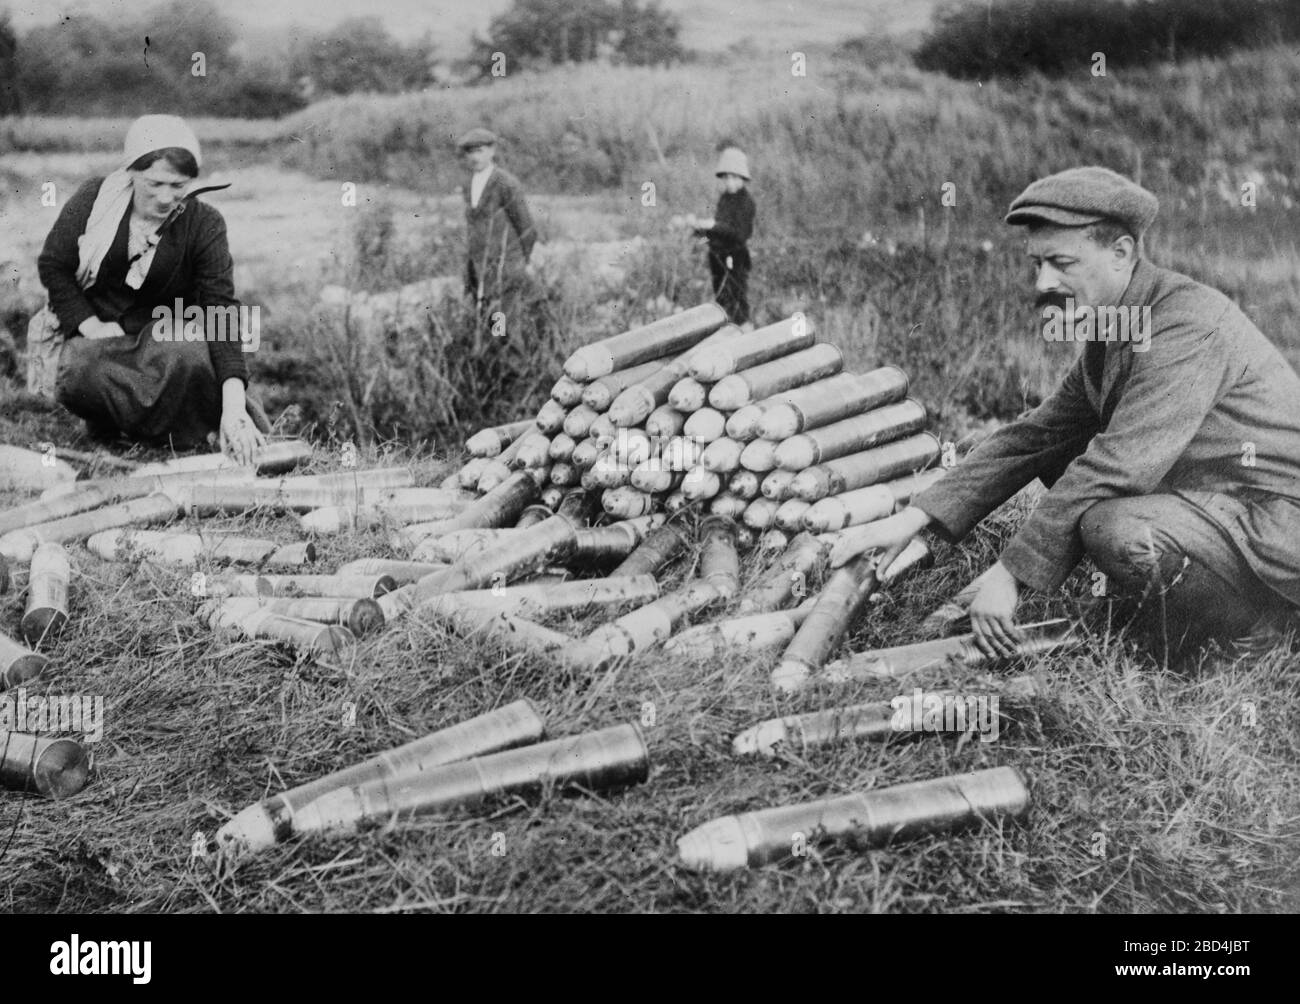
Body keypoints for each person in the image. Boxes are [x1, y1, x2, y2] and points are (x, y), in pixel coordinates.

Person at [831, 166, 1300, 660]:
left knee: (1114, 527)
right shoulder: (1117, 324)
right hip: (1225, 505)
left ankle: (1252, 631)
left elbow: (1118, 465)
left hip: (1277, 519)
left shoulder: (1187, 326)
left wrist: (1010, 575)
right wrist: (913, 518)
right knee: (1061, 456)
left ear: (1121, 253)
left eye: (1062, 262)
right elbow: (1037, 434)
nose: (1044, 282)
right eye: (1037, 264)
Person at [32, 114, 268, 463]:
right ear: (130, 171)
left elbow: (220, 310)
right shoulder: (95, 200)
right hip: (104, 341)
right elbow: (54, 265)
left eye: (178, 186)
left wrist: (234, 405)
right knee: (78, 370)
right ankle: (110, 429)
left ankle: (186, 438)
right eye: (154, 184)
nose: (165, 198)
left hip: (167, 340)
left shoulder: (205, 224)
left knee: (189, 355)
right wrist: (89, 324)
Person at [457, 127, 537, 310]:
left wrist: (519, 262)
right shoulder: (469, 184)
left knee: (505, 325)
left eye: (479, 151)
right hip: (480, 269)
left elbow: (526, 228)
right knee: (489, 324)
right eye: (470, 152)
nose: (474, 157)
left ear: (492, 151)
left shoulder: (505, 183)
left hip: (505, 269)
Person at [686, 146, 756, 328]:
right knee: (721, 298)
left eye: (734, 178)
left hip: (735, 257)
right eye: (727, 178)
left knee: (737, 297)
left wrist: (713, 226)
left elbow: (739, 234)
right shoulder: (725, 199)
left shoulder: (746, 202)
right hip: (718, 257)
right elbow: (718, 230)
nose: (730, 183)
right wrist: (700, 230)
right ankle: (726, 332)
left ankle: (743, 333)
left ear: (742, 178)